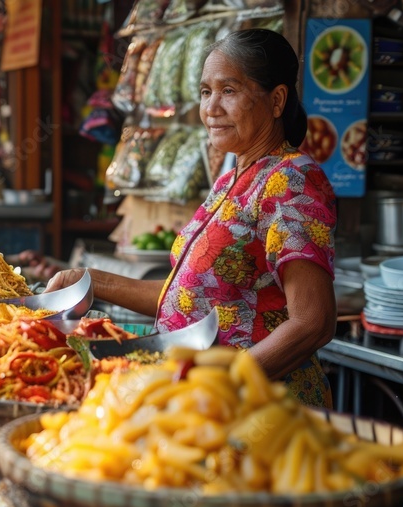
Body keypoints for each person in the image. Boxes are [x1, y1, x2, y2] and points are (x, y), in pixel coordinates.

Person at [47, 28, 337, 408]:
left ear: (277, 99)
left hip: (260, 407)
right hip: (199, 401)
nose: (211, 108)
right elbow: (185, 297)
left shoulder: (290, 180)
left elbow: (313, 322)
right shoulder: (231, 179)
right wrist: (84, 281)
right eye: (205, 92)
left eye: (228, 91)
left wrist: (224, 385)